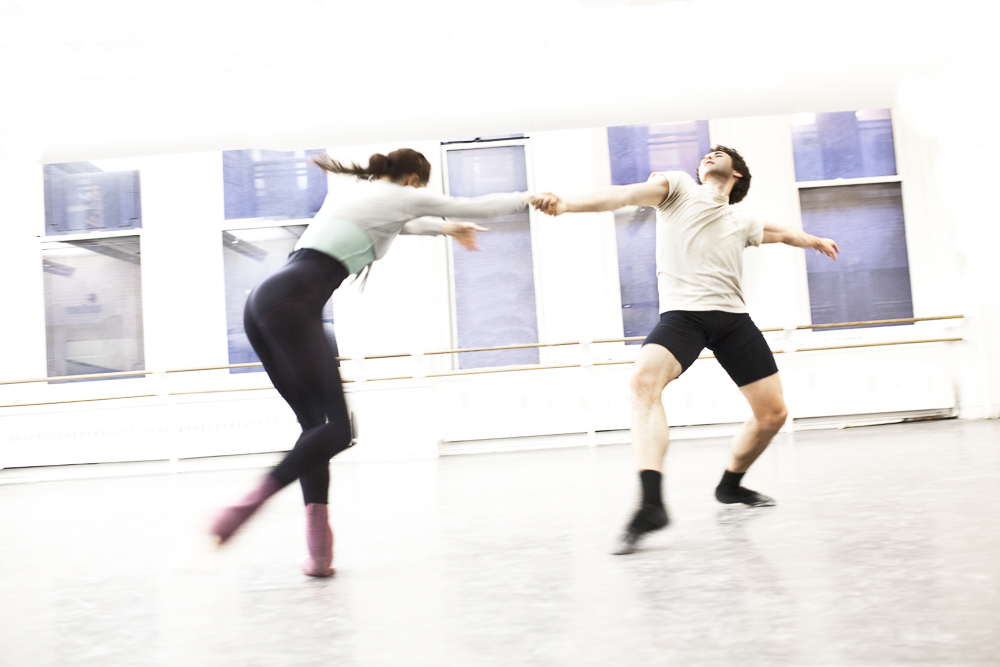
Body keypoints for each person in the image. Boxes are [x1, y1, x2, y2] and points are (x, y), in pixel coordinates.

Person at [212, 148, 538, 576]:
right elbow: (472, 205)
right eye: (420, 187)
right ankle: (244, 507)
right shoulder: (400, 194)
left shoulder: (359, 194)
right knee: (339, 431)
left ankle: (319, 555)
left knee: (316, 427)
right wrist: (531, 196)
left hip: (265, 302)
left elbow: (407, 224)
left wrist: (444, 229)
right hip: (293, 303)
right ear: (412, 180)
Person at [534, 146, 839, 554]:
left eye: (721, 154)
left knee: (773, 415)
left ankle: (730, 486)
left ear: (738, 177)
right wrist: (567, 204)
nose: (710, 156)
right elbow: (623, 195)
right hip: (684, 317)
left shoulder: (740, 218)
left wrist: (813, 240)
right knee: (643, 381)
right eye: (707, 154)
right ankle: (651, 503)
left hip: (733, 321)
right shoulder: (677, 187)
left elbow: (782, 233)